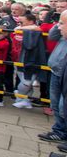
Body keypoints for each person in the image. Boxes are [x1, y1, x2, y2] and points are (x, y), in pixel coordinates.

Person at [38, 10, 67, 144]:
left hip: (63, 75)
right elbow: (52, 35)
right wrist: (59, 21)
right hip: (56, 72)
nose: (59, 26)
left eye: (62, 24)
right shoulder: (62, 34)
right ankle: (59, 131)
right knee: (55, 104)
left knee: (63, 107)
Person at [13, 13, 45, 109]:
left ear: (30, 22)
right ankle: (25, 100)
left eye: (22, 22)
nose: (19, 24)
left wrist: (21, 28)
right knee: (26, 82)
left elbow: (38, 28)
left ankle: (19, 96)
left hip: (31, 59)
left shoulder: (32, 29)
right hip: (17, 58)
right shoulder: (20, 29)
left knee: (27, 82)